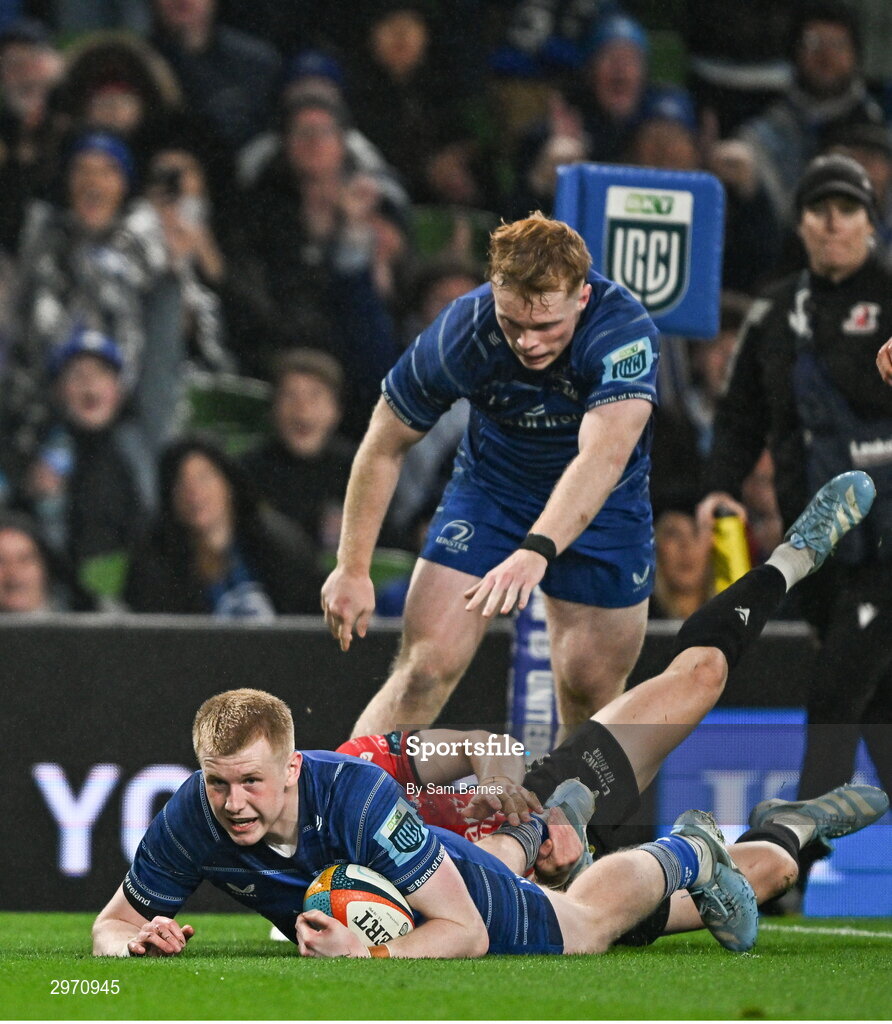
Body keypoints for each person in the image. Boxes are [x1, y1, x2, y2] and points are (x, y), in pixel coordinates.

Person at [322, 212, 660, 738]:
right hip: (492, 495)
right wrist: (352, 565)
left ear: (582, 299)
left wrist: (536, 550)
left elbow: (603, 458)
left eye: (546, 325)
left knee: (589, 686)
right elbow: (384, 443)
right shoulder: (463, 329)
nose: (527, 343)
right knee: (425, 668)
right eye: (513, 324)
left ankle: (572, 820)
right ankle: (343, 811)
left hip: (605, 507)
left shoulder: (624, 332)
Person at [698, 152, 892, 898]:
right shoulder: (775, 312)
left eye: (849, 208)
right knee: (876, 709)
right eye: (821, 208)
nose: (834, 221)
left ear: (871, 223)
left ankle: (780, 872)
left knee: (837, 696)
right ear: (802, 221)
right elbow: (742, 413)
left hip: (889, 547)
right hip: (820, 548)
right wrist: (719, 488)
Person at [123, 435, 323, 617]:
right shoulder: (154, 563)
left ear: (229, 484)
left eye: (204, 477)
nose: (193, 491)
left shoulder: (281, 545)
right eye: (180, 482)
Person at [241, 350, 356, 552]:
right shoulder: (247, 471)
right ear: (273, 409)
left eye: (315, 396)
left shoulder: (358, 469)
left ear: (335, 411)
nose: (302, 409)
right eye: (290, 396)